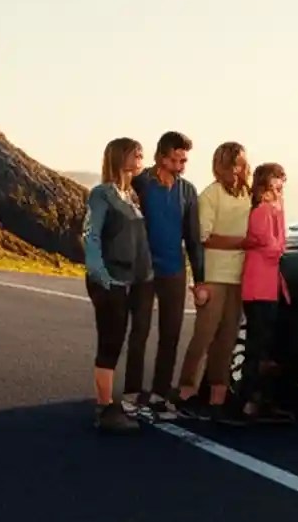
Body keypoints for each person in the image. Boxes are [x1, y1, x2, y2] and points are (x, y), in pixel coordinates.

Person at [123, 131, 206, 421]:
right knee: (140, 331)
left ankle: (159, 396)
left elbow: (193, 239)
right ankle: (131, 394)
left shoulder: (188, 191)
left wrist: (200, 281)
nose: (182, 165)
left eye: (184, 160)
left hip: (174, 269)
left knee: (170, 335)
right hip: (143, 270)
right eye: (176, 159)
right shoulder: (140, 182)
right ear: (161, 156)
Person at [174, 141, 251, 421]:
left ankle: (217, 397)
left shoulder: (250, 195)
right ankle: (185, 392)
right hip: (215, 276)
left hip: (239, 277)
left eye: (239, 164)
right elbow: (203, 237)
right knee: (204, 336)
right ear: (219, 166)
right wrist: (243, 242)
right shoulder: (210, 195)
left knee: (228, 339)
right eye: (229, 165)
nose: (234, 170)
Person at [81, 137, 154, 434]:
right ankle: (105, 408)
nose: (140, 157)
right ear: (119, 157)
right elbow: (90, 235)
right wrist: (102, 276)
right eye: (135, 153)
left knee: (120, 338)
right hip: (110, 280)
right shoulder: (102, 194)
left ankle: (111, 403)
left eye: (141, 153)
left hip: (131, 280)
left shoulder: (130, 196)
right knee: (110, 341)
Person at [220, 162, 294, 426]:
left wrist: (280, 211)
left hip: (269, 285)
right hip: (258, 287)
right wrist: (276, 211)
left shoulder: (273, 211)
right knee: (256, 347)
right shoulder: (262, 212)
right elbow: (274, 248)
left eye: (281, 181)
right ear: (265, 183)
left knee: (265, 346)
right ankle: (241, 405)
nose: (279, 187)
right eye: (275, 181)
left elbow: (280, 242)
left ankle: (257, 401)